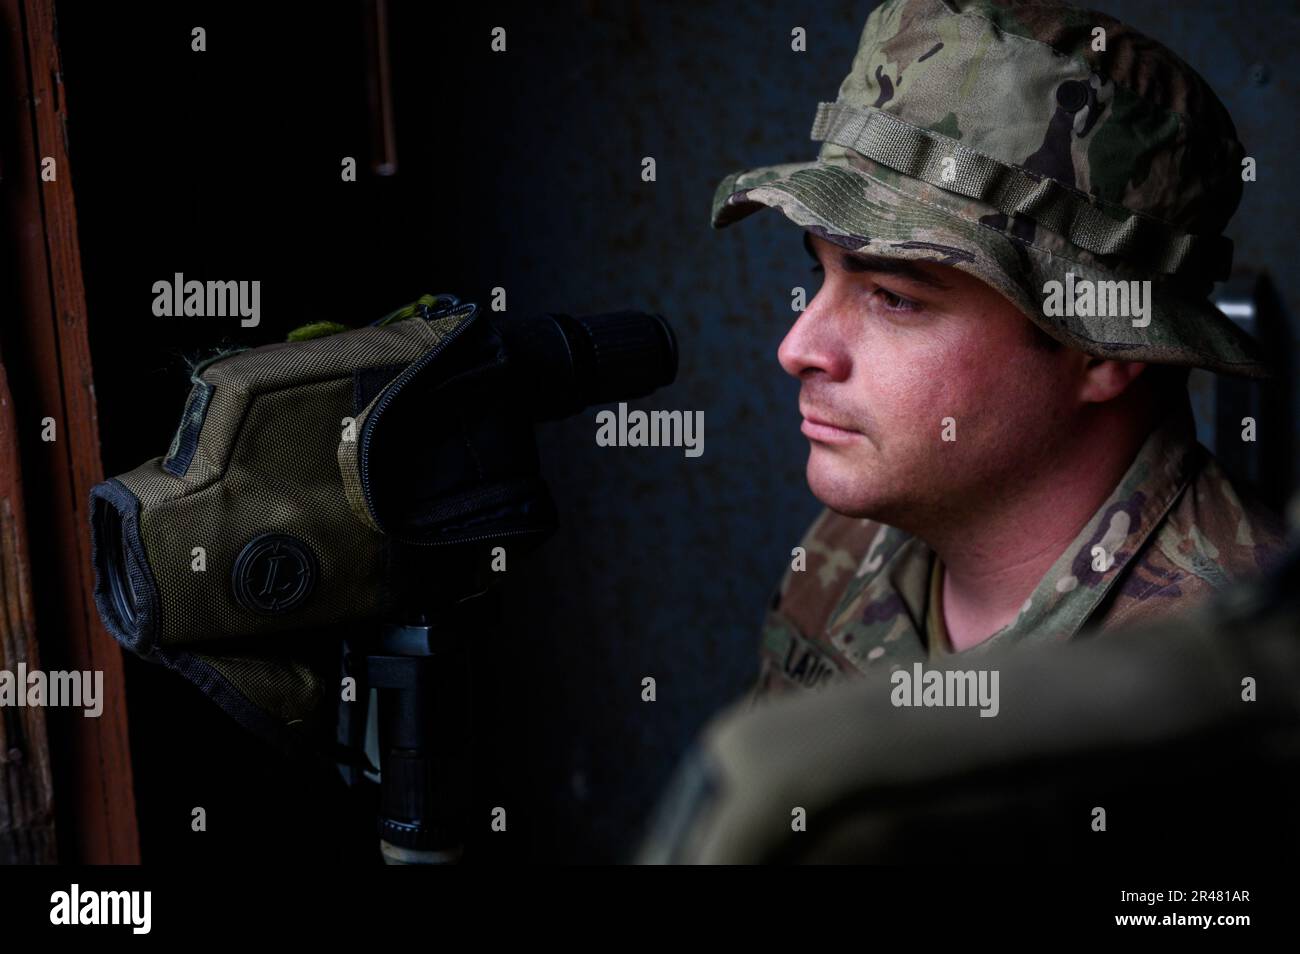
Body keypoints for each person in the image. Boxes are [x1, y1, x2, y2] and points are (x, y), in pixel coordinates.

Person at [708, 0, 1286, 701]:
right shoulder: (847, 548)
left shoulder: (1234, 686)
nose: (797, 348)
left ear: (1102, 348)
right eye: (818, 274)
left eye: (893, 297)